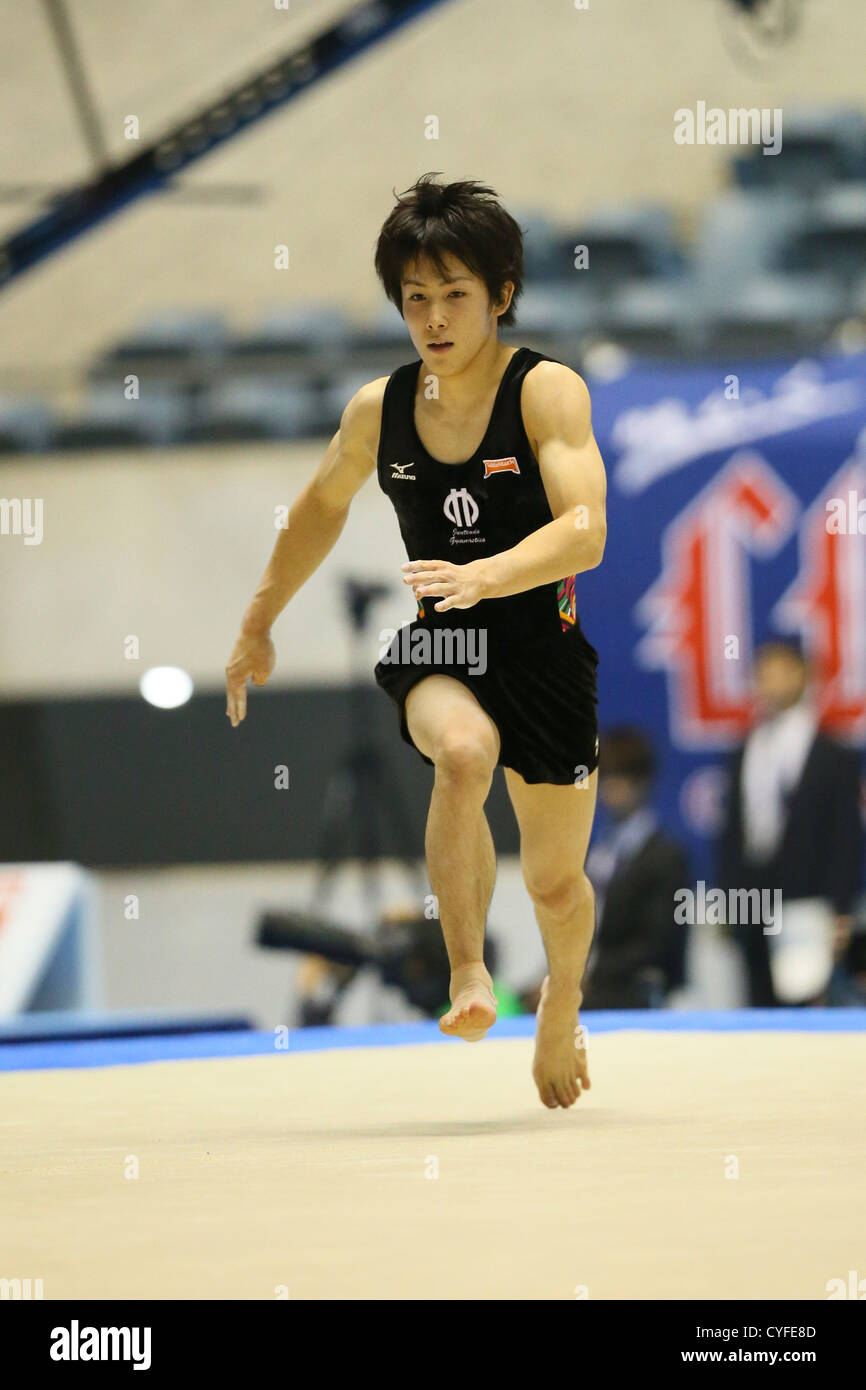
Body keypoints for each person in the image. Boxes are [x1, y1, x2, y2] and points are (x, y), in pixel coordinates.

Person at [225, 174, 607, 1109]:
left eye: (456, 296)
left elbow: (587, 530)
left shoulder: (546, 392)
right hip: (447, 651)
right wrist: (257, 621)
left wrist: (487, 572)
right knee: (463, 753)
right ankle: (470, 971)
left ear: (501, 295)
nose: (434, 319)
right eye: (416, 300)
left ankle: (563, 999)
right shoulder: (378, 412)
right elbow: (315, 512)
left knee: (558, 887)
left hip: (544, 654)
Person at [716, 639, 863, 1006]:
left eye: (782, 673)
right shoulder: (746, 748)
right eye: (763, 675)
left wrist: (841, 908)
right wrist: (727, 897)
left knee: (803, 997)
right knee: (756, 999)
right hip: (751, 893)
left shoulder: (833, 754)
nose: (771, 683)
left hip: (808, 897)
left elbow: (846, 835)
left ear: (804, 676)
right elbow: (732, 831)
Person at [580, 727, 690, 1009]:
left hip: (631, 988)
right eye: (606, 778)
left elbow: (658, 943)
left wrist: (592, 973)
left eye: (621, 778)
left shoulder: (666, 857)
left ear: (643, 782)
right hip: (587, 980)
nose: (611, 788)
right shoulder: (595, 852)